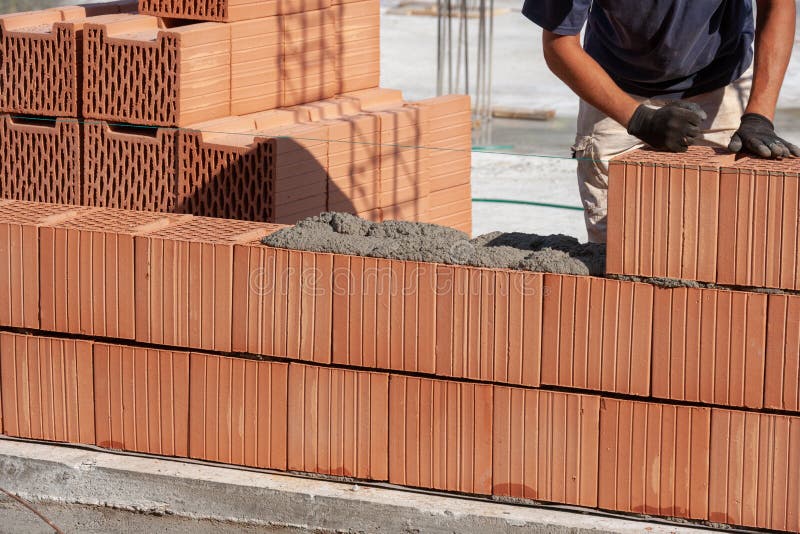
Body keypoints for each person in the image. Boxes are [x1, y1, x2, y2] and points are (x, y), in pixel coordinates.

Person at [524, 1, 800, 243]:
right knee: (615, 246)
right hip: (613, 87)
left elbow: (778, 5)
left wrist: (758, 116)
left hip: (719, 83)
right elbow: (558, 44)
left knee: (720, 241)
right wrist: (639, 118)